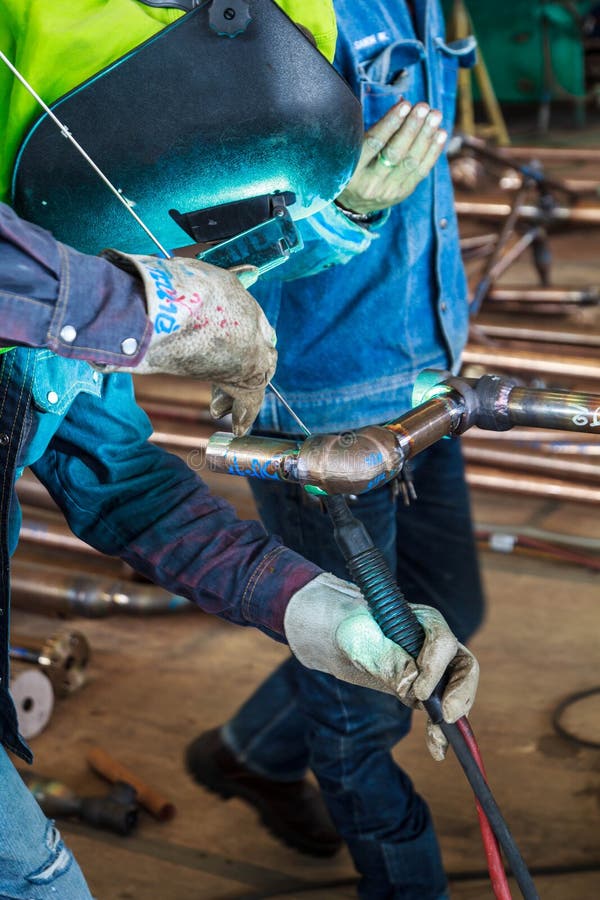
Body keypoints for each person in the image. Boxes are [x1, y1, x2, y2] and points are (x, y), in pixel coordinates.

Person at [0, 2, 478, 897]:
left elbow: (126, 486)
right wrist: (147, 308)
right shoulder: (66, 279)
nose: (177, 258)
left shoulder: (62, 281)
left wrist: (322, 613)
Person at [185, 2, 484, 898]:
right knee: (361, 704)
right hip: (321, 402)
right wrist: (345, 206)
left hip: (423, 380)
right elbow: (213, 238)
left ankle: (248, 753)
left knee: (453, 603)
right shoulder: (278, 15)